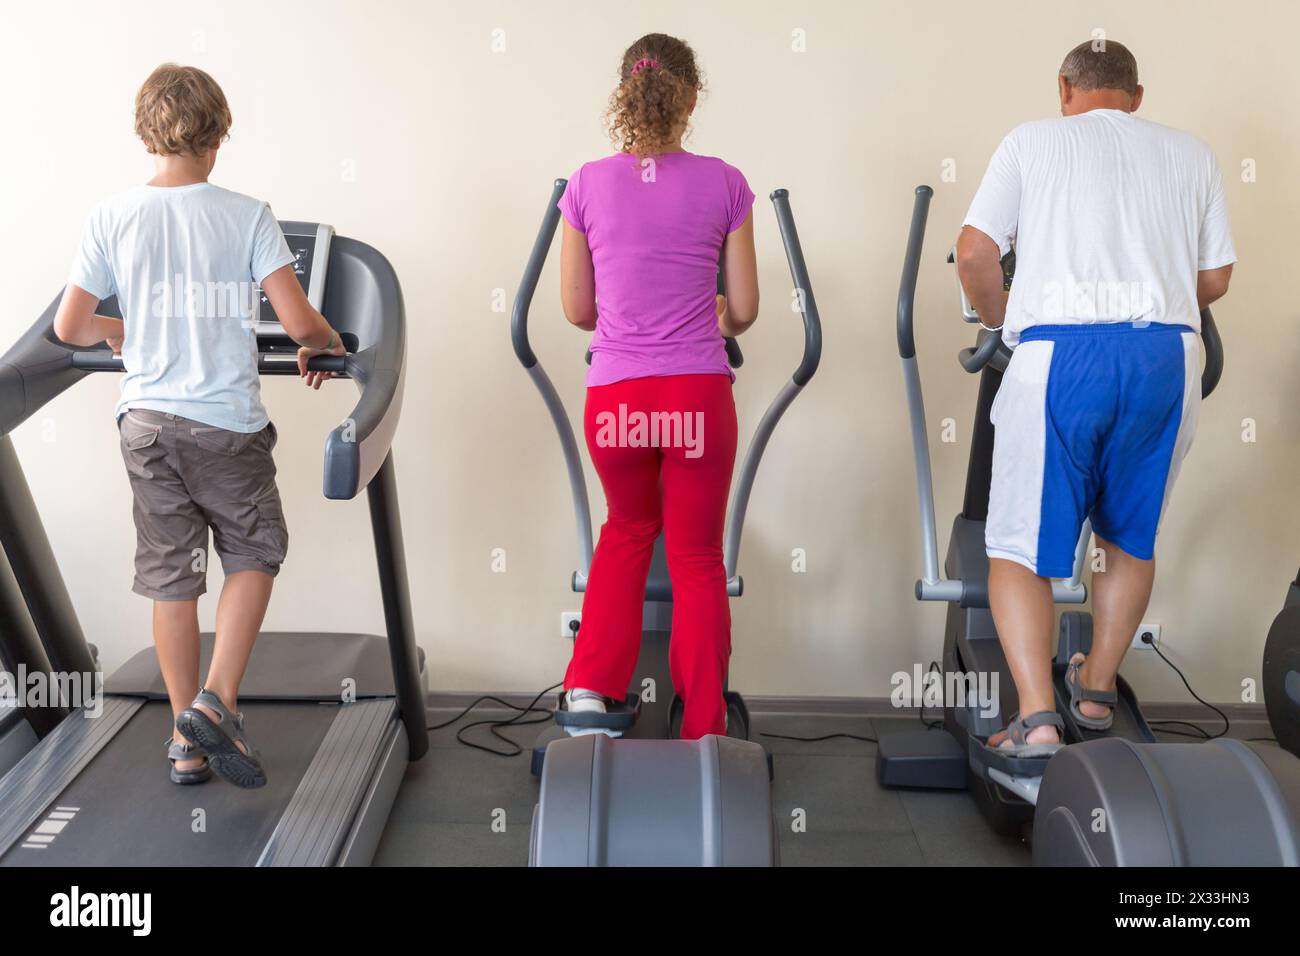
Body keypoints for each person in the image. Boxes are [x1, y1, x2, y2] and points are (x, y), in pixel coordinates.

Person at [52, 63, 346, 787]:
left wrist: (124, 329)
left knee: (172, 579)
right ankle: (216, 702)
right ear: (217, 139)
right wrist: (325, 345)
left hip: (145, 424)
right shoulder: (246, 214)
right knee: (252, 552)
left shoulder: (110, 215)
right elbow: (296, 318)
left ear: (147, 134)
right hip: (225, 426)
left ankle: (185, 742)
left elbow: (70, 325)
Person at [955, 39, 1236, 758]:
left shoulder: (1031, 141)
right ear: (1136, 96)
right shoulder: (1191, 153)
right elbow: (1214, 279)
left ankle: (1039, 722)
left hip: (1060, 355)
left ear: (1065, 89)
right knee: (1125, 537)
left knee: (1019, 550)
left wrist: (997, 318)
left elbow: (976, 252)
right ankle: (1097, 691)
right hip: (1165, 359)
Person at [556, 33, 760, 740]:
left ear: (624, 91)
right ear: (691, 98)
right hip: (696, 397)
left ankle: (589, 695)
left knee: (626, 533)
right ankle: (703, 724)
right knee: (699, 557)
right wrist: (715, 313)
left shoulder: (584, 183)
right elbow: (748, 308)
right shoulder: (726, 182)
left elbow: (579, 312)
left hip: (617, 400)